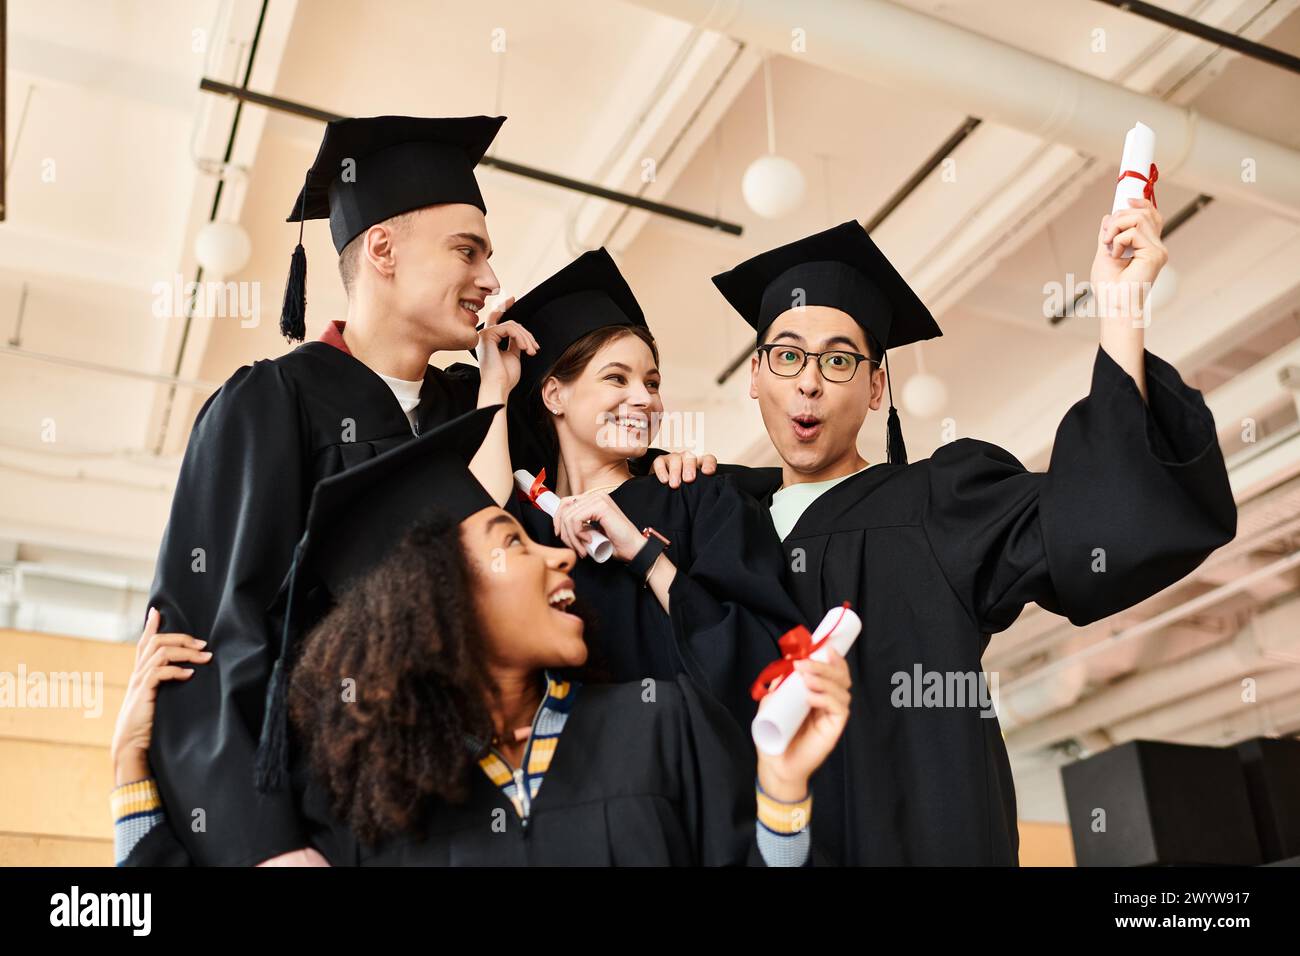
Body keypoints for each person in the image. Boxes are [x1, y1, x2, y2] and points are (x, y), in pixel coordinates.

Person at [691, 208, 1237, 865]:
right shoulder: (716, 530)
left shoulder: (938, 505)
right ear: (755, 375)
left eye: (839, 359)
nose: (809, 379)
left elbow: (1099, 523)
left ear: (874, 387)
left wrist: (1120, 310)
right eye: (787, 355)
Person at [112, 408, 851, 866]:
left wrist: (783, 792)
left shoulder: (666, 723)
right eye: (513, 543)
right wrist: (130, 776)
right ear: (435, 600)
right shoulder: (365, 806)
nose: (559, 554)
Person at [143, 114, 542, 866]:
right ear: (383, 249)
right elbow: (210, 636)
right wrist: (265, 844)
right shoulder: (272, 404)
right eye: (468, 250)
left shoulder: (479, 407)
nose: (492, 280)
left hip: (477, 816)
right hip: (320, 822)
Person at [480, 248, 805, 725]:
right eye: (617, 378)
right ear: (555, 394)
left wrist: (645, 555)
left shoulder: (700, 498)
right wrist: (495, 383)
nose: (644, 399)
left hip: (691, 777)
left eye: (652, 383)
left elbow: (765, 662)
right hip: (568, 784)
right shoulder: (526, 527)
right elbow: (473, 534)